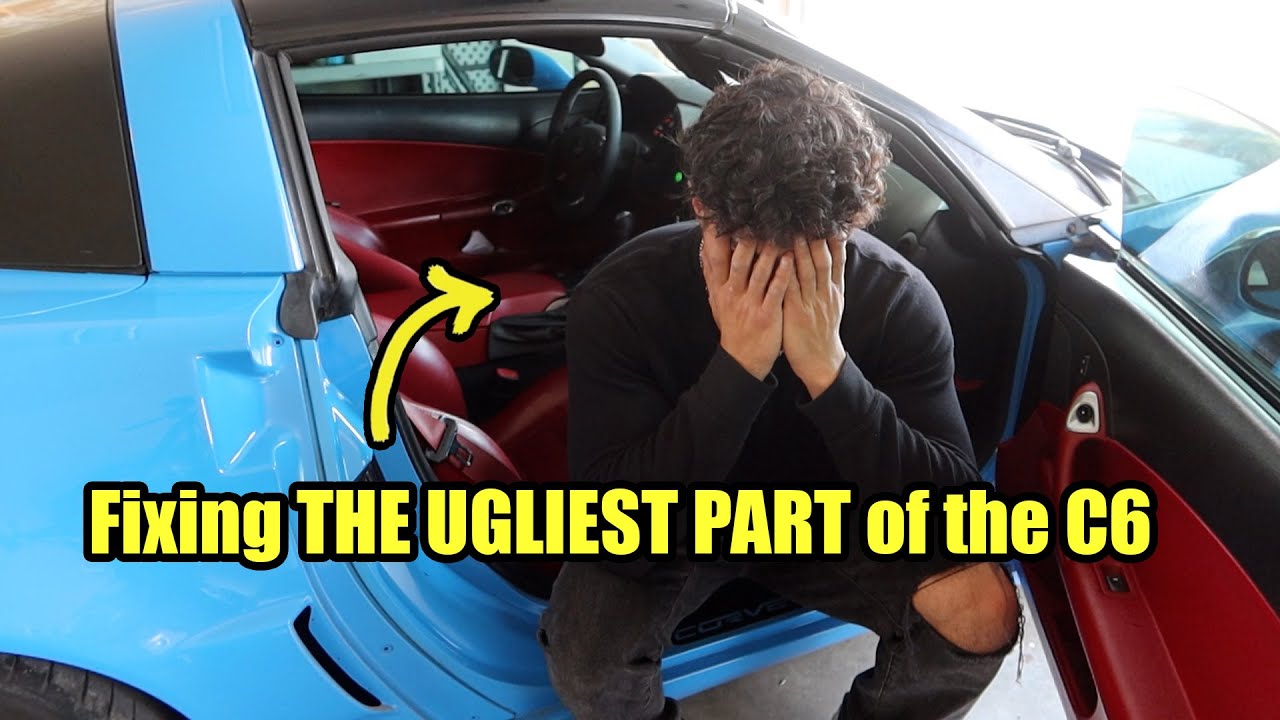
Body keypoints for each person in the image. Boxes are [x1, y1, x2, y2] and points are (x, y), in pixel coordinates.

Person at [538, 60, 1021, 720]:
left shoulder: (896, 300)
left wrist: (831, 373)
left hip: (836, 514)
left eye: (816, 247)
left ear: (854, 223)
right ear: (701, 206)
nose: (784, 276)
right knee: (585, 652)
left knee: (980, 611)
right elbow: (606, 518)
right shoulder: (622, 298)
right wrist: (737, 368)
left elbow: (954, 510)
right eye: (753, 249)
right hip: (685, 520)